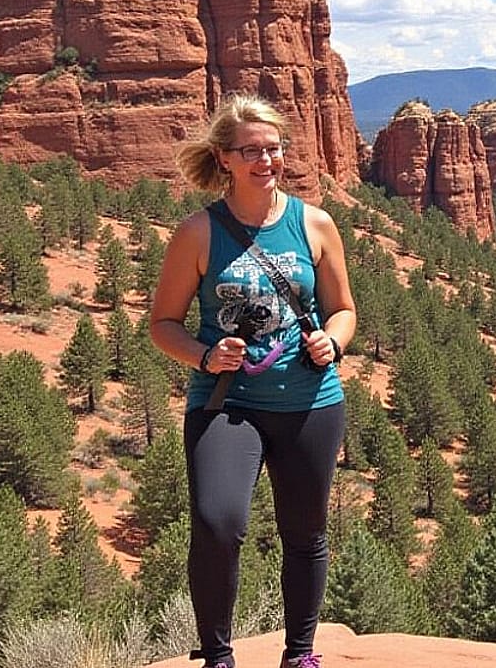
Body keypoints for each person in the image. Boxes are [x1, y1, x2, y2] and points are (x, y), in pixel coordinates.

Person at [150, 93, 356, 668]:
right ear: (225, 158)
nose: (266, 160)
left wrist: (332, 341)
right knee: (219, 523)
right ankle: (217, 655)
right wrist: (205, 355)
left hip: (311, 401)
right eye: (252, 151)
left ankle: (300, 654)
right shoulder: (198, 232)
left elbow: (344, 309)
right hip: (226, 402)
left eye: (274, 148)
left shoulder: (313, 223)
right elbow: (162, 325)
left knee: (306, 532)